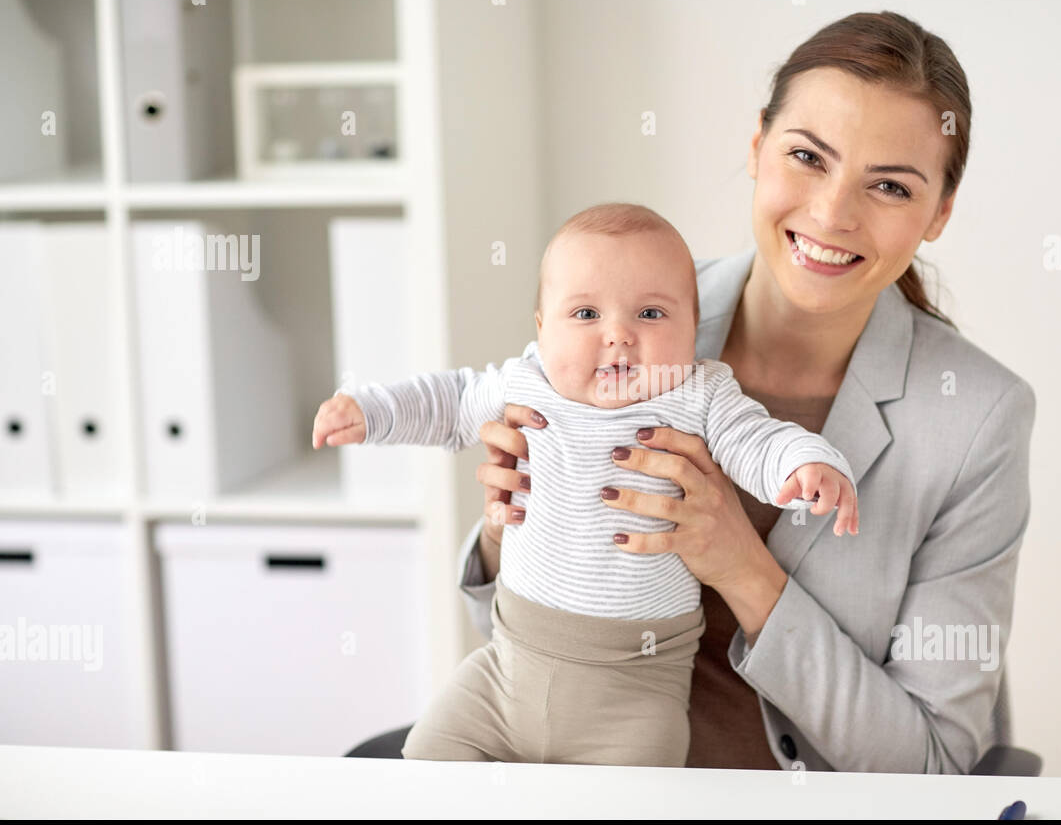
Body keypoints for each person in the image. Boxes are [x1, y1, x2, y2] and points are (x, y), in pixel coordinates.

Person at [457, 11, 1036, 774]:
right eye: (807, 157)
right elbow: (503, 648)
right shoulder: (624, 319)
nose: (833, 213)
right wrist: (509, 524)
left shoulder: (975, 419)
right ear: (758, 148)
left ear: (939, 214)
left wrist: (741, 566)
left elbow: (933, 769)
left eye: (890, 185)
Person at [312, 202, 858, 766]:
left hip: (634, 697)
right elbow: (446, 401)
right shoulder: (528, 383)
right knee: (426, 762)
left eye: (650, 314)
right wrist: (372, 411)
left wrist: (804, 465)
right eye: (586, 314)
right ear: (542, 328)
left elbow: (758, 440)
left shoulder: (697, 396)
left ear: (694, 330)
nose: (618, 336)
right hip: (503, 676)